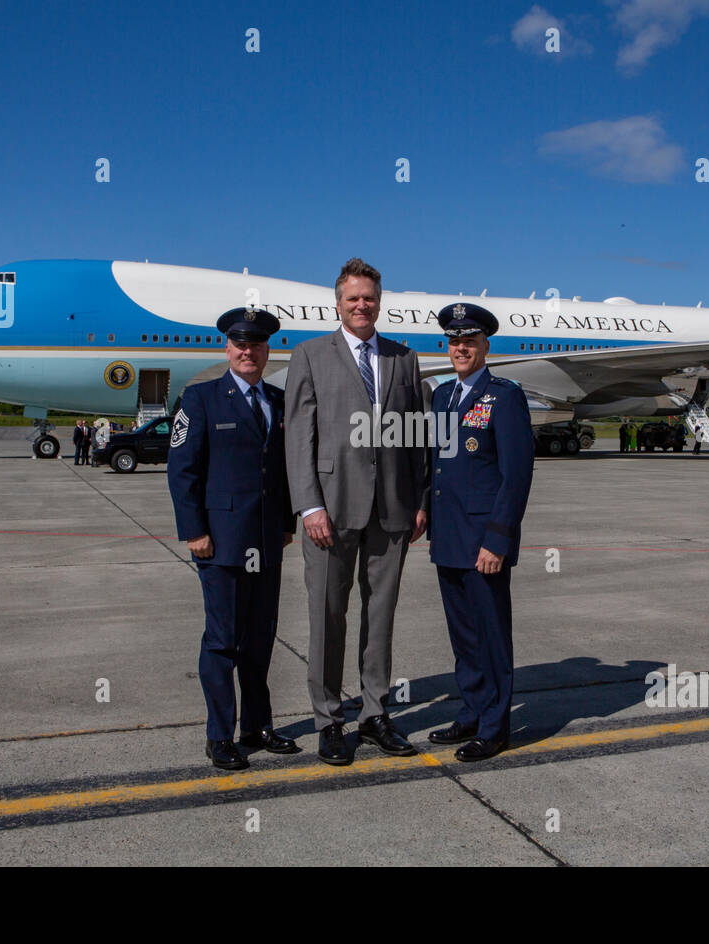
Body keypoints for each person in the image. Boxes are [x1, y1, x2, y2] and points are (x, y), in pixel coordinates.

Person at [284, 258, 428, 766]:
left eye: (369, 297)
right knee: (328, 615)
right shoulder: (309, 354)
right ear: (338, 303)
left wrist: (418, 501)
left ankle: (374, 714)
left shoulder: (403, 358)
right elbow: (298, 436)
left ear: (379, 301)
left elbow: (417, 438)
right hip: (330, 507)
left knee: (381, 615)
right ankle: (328, 719)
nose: (362, 305)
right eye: (353, 298)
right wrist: (308, 504)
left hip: (391, 509)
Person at [167, 307, 297, 771]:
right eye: (241, 344)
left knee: (260, 638)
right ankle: (220, 734)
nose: (249, 351)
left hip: (266, 540)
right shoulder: (200, 399)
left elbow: (281, 472)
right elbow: (182, 470)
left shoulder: (279, 402)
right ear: (227, 348)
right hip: (219, 541)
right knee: (223, 641)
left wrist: (286, 524)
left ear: (267, 350)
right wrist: (194, 530)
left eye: (257, 345)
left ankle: (258, 726)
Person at [426, 304, 534, 761]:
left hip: (483, 541)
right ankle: (471, 711)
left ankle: (495, 727)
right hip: (448, 536)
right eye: (454, 342)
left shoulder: (503, 396)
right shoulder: (441, 396)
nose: (461, 349)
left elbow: (516, 474)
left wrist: (498, 538)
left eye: (469, 341)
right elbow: (440, 466)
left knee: (490, 635)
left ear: (486, 346)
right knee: (463, 635)